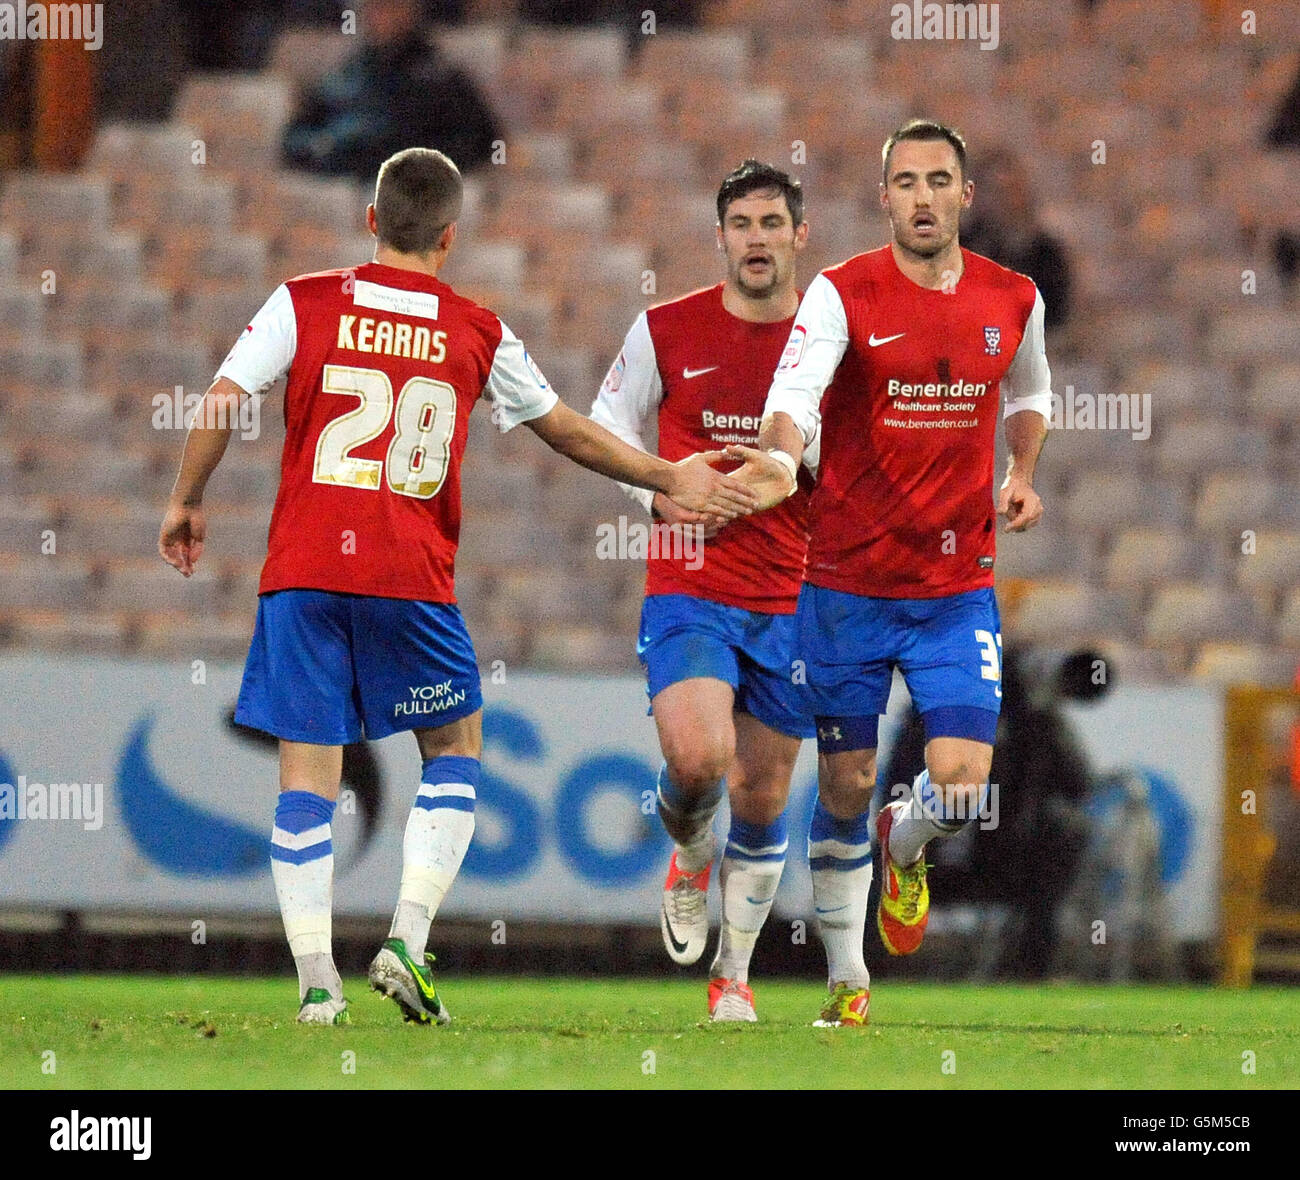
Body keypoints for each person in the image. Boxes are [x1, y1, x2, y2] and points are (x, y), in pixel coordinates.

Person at [158, 147, 754, 1026]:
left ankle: (319, 987)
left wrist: (186, 499)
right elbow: (568, 433)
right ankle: (406, 937)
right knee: (456, 745)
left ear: (371, 221)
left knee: (308, 773)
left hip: (305, 572)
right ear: (450, 237)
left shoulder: (305, 300)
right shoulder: (476, 328)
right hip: (409, 577)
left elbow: (220, 400)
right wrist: (669, 477)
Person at [727, 119, 1055, 1026]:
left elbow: (1028, 390)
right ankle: (848, 977)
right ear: (884, 198)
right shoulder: (841, 293)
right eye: (904, 181)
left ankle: (903, 851)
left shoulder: (1014, 297)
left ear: (964, 196)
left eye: (937, 179)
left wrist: (1021, 471)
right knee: (842, 783)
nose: (921, 196)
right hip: (846, 585)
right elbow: (792, 395)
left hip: (954, 591)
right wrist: (783, 457)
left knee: (957, 782)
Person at [590, 161, 814, 1022]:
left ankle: (734, 974)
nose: (756, 239)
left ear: (800, 235)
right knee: (696, 757)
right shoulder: (665, 329)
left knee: (762, 794)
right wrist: (658, 489)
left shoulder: (826, 344)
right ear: (720, 236)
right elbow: (608, 424)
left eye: (771, 223)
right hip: (691, 581)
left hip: (795, 592)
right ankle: (687, 851)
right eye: (741, 224)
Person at [281, 0, 501, 182]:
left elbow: (481, 142)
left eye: (390, 6)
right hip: (340, 190)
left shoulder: (441, 78)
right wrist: (330, 147)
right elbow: (295, 140)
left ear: (411, 11)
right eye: (373, 6)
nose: (380, 14)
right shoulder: (345, 75)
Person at [960, 148, 1072, 330]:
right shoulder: (957, 248)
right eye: (994, 191)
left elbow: (1058, 318)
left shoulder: (1046, 254)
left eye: (1011, 190)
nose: (1004, 200)